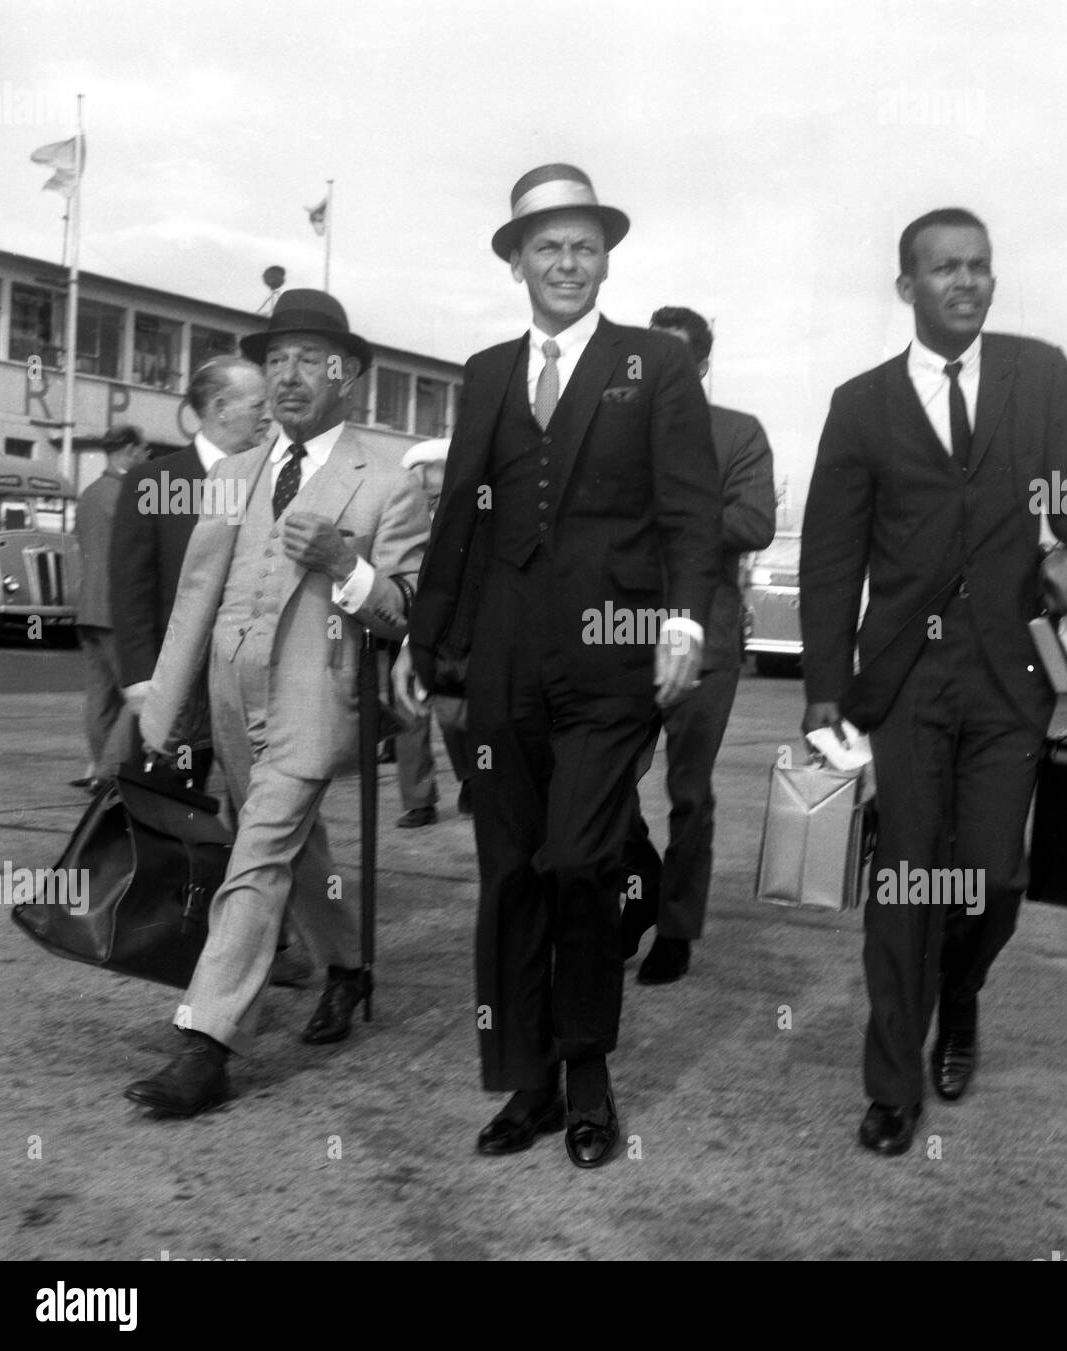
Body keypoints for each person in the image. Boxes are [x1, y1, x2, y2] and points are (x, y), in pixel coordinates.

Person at [393, 164, 721, 1169]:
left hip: (612, 658)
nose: (567, 262)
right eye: (547, 246)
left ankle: (586, 1073)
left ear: (605, 258)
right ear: (516, 262)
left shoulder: (652, 364)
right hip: (501, 659)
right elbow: (460, 514)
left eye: (583, 245)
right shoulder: (487, 371)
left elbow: (689, 511)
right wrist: (425, 638)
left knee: (579, 860)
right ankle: (526, 1082)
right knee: (509, 873)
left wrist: (683, 623)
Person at [800, 208, 1067, 1156]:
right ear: (906, 287)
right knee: (906, 881)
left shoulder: (1039, 375)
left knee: (991, 872)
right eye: (945, 269)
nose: (967, 282)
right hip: (902, 680)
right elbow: (830, 556)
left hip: (1009, 671)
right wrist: (828, 679)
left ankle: (962, 990)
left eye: (980, 266)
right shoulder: (859, 405)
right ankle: (893, 1081)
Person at [123, 290, 428, 1116]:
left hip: (314, 695)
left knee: (255, 855)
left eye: (309, 359)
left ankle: (207, 1042)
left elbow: (405, 606)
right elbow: (196, 594)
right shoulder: (235, 473)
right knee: (295, 843)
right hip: (230, 689)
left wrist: (343, 563)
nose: (288, 377)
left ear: (349, 374)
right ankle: (350, 963)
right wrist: (161, 711)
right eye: (276, 360)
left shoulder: (386, 482)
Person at [620, 306, 776, 984]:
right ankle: (640, 883)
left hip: (705, 638)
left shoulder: (738, 432)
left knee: (689, 790)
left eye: (678, 358)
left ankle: (677, 929)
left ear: (703, 366)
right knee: (599, 781)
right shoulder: (614, 426)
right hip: (619, 630)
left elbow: (756, 519)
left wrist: (675, 511)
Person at [112, 354, 272, 785]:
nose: (268, 416)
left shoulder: (272, 483)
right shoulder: (156, 481)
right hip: (176, 689)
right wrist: (141, 678)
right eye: (258, 405)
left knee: (259, 811)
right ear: (221, 408)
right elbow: (131, 590)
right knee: (169, 813)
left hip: (251, 691)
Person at [392, 444, 472, 827]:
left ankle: (473, 777)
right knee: (407, 713)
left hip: (450, 627)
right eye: (425, 493)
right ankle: (418, 800)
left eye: (437, 493)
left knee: (455, 713)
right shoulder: (402, 517)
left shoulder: (469, 518)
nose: (430, 501)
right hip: (398, 621)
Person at [72, 424, 149, 790]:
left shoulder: (89, 493)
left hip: (87, 609)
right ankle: (109, 772)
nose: (146, 458)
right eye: (144, 451)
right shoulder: (127, 494)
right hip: (119, 610)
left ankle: (99, 768)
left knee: (99, 698)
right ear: (130, 450)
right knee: (137, 694)